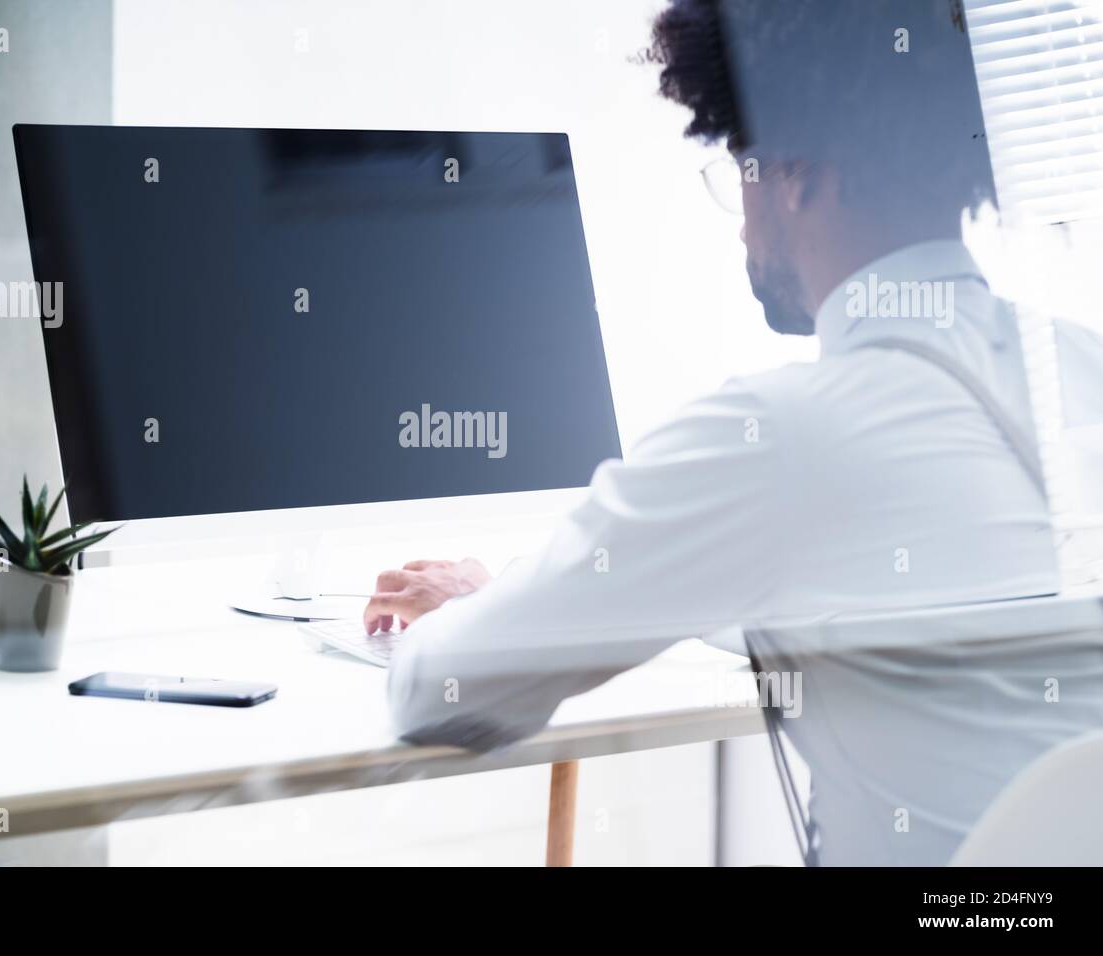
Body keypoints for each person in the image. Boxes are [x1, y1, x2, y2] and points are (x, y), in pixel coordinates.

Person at [364, 0, 1103, 865]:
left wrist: (491, 615)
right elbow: (938, 613)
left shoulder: (777, 438)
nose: (744, 217)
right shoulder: (1084, 369)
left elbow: (440, 693)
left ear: (794, 172)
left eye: (739, 166)